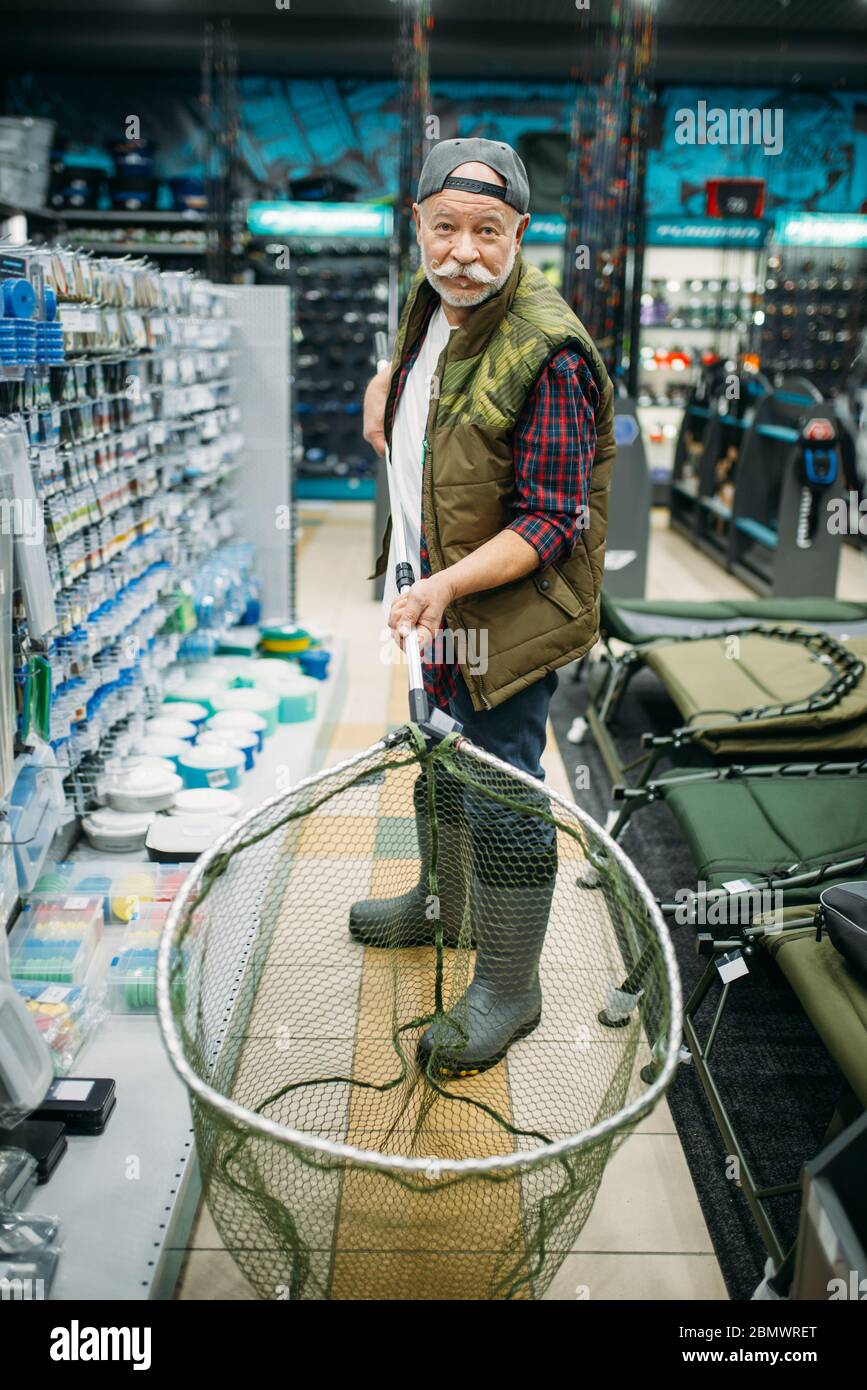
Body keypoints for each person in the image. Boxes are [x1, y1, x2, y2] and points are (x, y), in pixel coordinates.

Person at [350, 137, 616, 1077]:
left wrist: (444, 588)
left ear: (521, 236)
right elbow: (434, 400)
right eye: (445, 227)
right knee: (437, 745)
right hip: (432, 594)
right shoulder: (432, 304)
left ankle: (511, 985)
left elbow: (551, 519)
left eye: (488, 233)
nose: (463, 250)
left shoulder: (549, 353)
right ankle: (438, 905)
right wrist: (390, 382)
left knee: (502, 784)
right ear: (416, 223)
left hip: (501, 612)